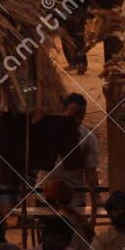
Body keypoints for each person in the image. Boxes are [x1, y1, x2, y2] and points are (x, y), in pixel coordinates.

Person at [43, 93, 100, 226]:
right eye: (72, 116)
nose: (77, 121)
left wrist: (94, 211)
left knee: (73, 235)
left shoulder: (89, 139)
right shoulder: (47, 131)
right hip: (45, 196)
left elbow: (91, 175)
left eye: (81, 116)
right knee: (49, 235)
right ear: (63, 111)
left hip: (75, 199)